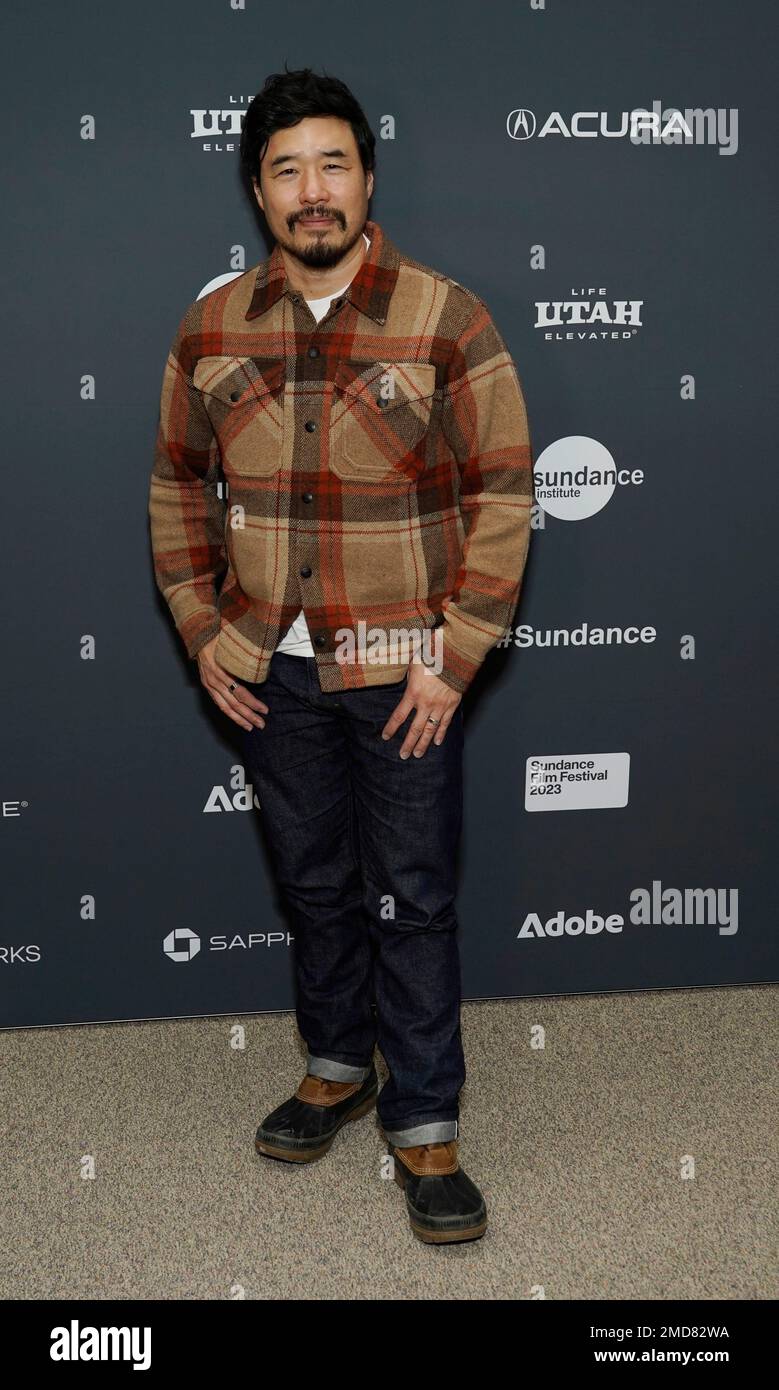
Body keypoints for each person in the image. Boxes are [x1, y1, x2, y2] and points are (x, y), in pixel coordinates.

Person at [148, 66, 533, 1244]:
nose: (311, 192)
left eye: (331, 165)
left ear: (367, 177)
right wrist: (203, 627)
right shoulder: (213, 324)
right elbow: (175, 482)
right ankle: (335, 1065)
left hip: (406, 670)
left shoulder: (444, 314)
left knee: (410, 897)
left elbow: (505, 490)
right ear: (257, 192)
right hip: (272, 667)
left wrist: (454, 653)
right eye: (284, 170)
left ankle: (426, 1127)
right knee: (311, 882)